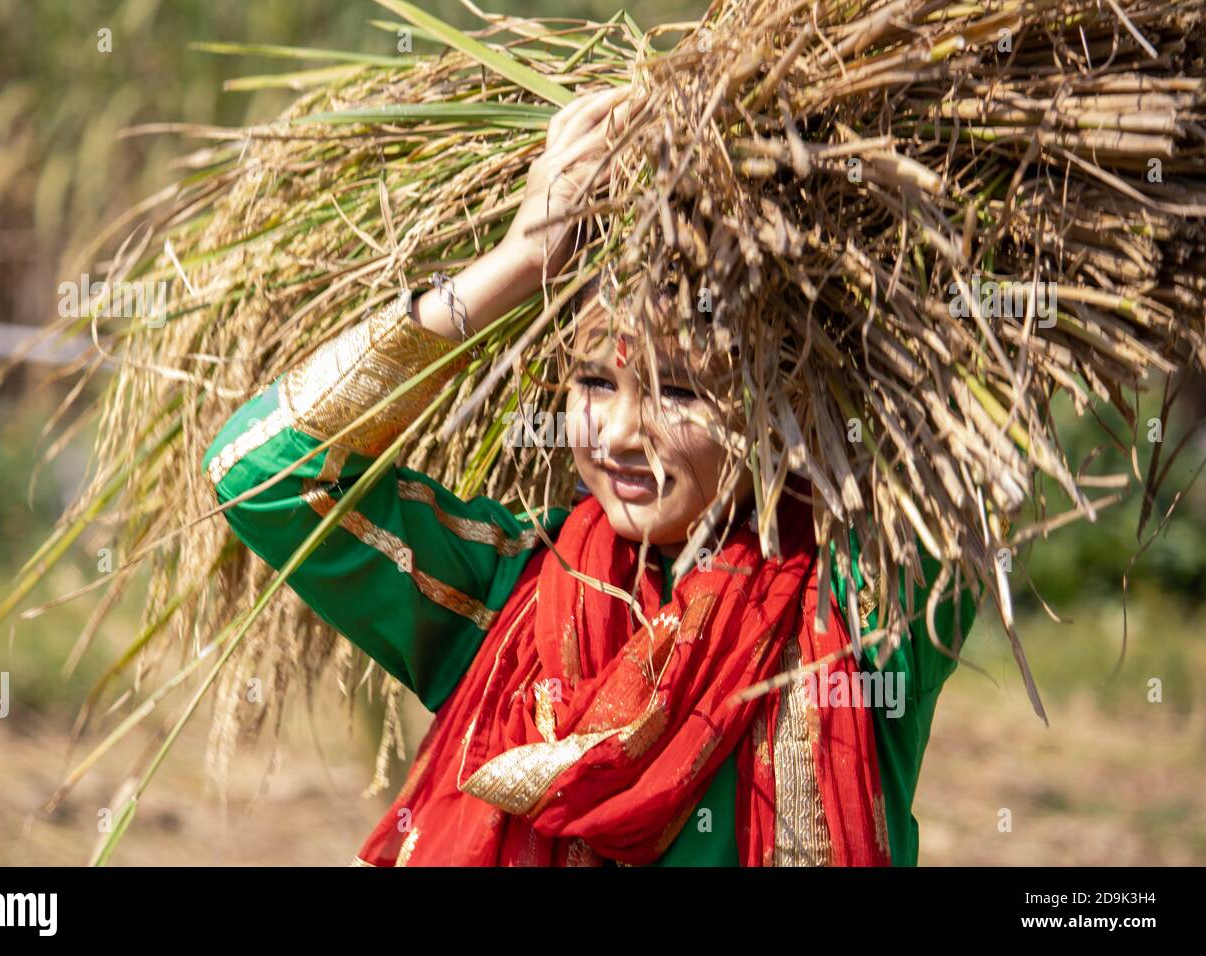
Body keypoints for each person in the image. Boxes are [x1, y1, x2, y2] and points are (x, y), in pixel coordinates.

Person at [202, 88, 976, 866]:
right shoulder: (505, 600)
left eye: (678, 392)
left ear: (780, 408)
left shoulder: (861, 613)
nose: (616, 434)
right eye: (593, 383)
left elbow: (978, 425)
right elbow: (261, 472)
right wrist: (522, 259)